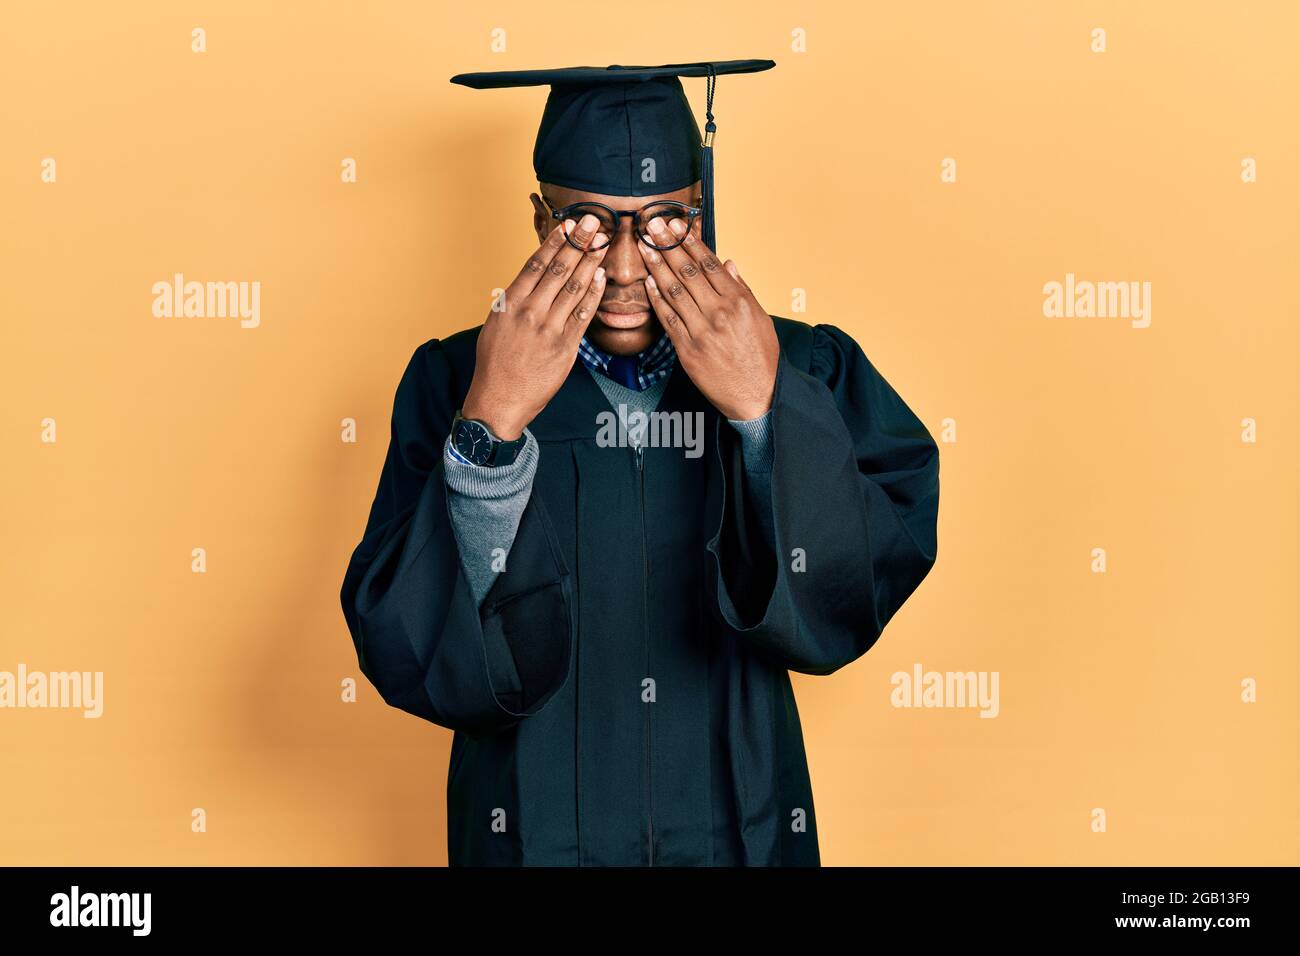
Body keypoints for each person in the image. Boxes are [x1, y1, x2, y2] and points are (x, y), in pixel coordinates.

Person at [340, 60, 941, 866]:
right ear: (537, 218)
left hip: (740, 824)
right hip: (532, 829)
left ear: (703, 215)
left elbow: (859, 586)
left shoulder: (799, 364)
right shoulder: (457, 379)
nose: (625, 268)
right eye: (585, 223)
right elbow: (400, 641)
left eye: (664, 224)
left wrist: (764, 411)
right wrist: (494, 423)